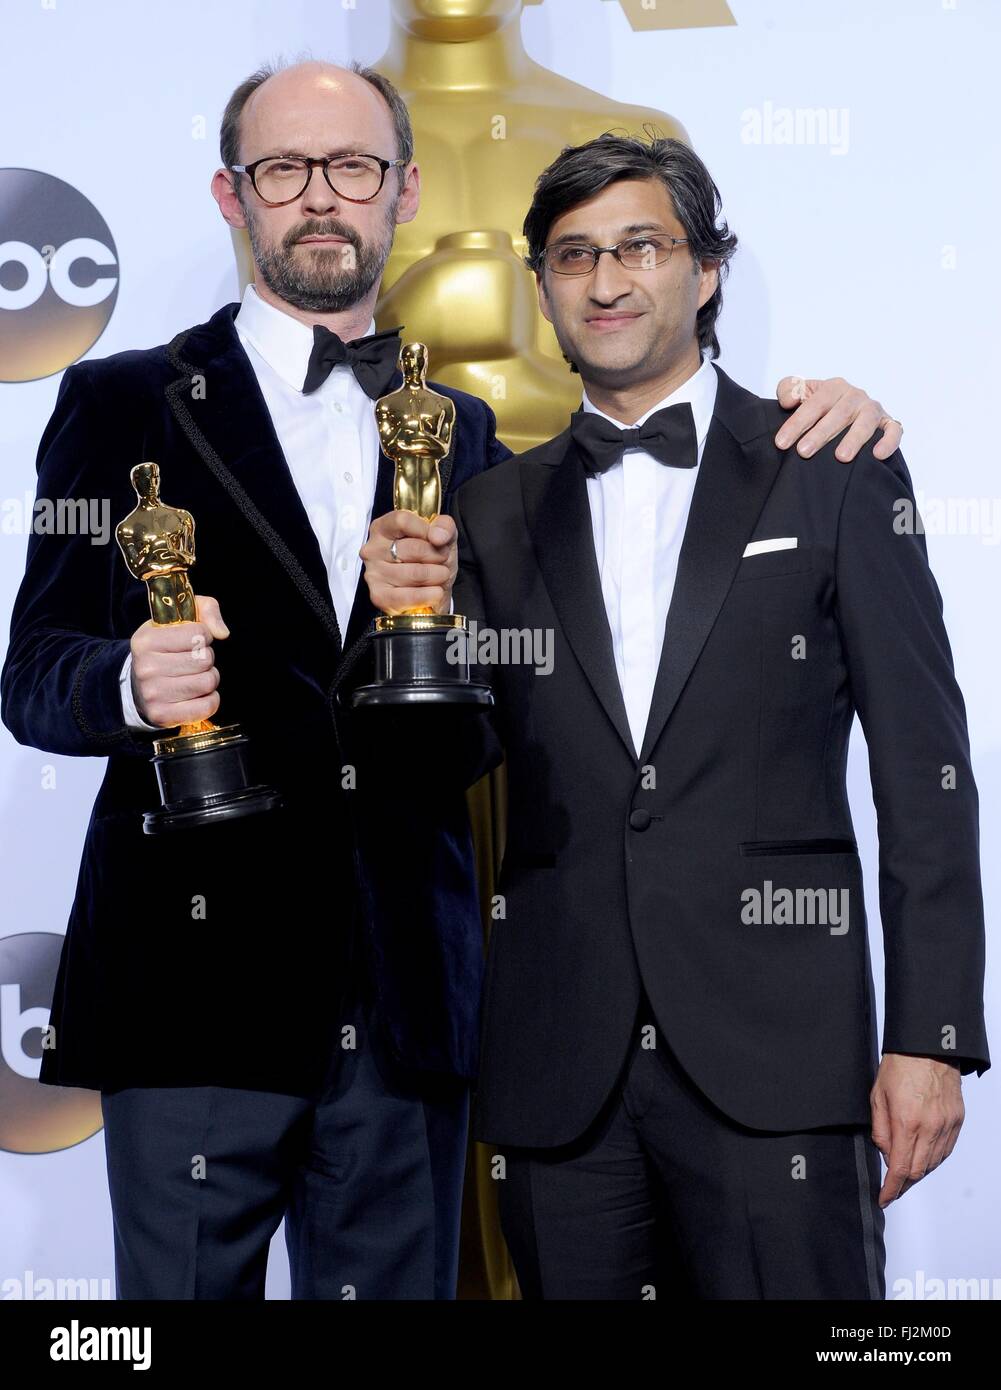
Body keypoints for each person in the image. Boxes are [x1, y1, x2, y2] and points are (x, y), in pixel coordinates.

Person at [1, 58, 900, 1302]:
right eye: (284, 169)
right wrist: (125, 682)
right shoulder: (116, 402)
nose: (320, 198)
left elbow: (490, 726)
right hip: (190, 1001)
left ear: (403, 192)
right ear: (231, 194)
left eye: (353, 168)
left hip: (406, 1006)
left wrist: (818, 407)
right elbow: (33, 676)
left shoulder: (466, 432)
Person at [440, 134, 989, 1300]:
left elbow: (924, 770)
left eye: (640, 246)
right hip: (558, 1071)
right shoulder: (485, 511)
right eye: (573, 255)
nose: (604, 280)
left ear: (708, 269)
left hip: (780, 1060)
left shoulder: (832, 464)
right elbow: (428, 761)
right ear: (540, 285)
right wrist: (389, 619)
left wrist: (929, 1034)